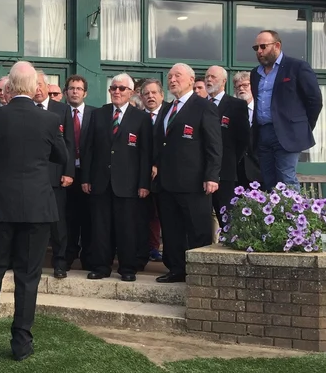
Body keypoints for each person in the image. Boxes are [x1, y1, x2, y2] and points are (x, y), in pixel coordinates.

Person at [0, 61, 67, 361]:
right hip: (37, 208)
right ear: (37, 88)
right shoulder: (48, 120)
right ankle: (21, 344)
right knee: (27, 277)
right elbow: (62, 156)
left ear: (9, 87)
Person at [152, 64, 222, 283]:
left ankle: (200, 274)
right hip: (166, 182)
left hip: (194, 182)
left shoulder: (203, 106)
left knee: (197, 229)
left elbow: (214, 144)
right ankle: (176, 269)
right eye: (170, 76)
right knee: (171, 230)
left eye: (177, 76)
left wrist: (212, 176)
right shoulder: (166, 108)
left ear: (191, 80)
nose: (172, 80)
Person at [81, 74, 152, 282]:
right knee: (100, 227)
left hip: (128, 184)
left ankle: (127, 267)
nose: (117, 92)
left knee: (127, 228)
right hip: (101, 181)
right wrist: (85, 178)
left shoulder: (141, 118)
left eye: (122, 89)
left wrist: (144, 183)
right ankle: (101, 266)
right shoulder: (99, 114)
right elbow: (88, 149)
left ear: (131, 92)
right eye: (113, 88)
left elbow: (145, 154)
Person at [250, 30, 323, 189]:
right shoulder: (255, 73)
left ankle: (293, 214)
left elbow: (314, 100)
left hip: (287, 132)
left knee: (286, 180)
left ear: (277, 45)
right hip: (263, 132)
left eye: (263, 46)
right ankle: (272, 214)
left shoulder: (297, 67)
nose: (259, 51)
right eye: (256, 48)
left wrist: (302, 126)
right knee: (268, 181)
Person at [34, 73, 75, 278]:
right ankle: (34, 264)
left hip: (57, 176)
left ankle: (60, 263)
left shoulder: (62, 109)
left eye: (40, 85)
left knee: (58, 224)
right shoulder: (28, 109)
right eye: (34, 86)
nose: (38, 90)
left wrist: (68, 172)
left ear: (47, 86)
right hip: (33, 177)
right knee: (34, 223)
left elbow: (69, 143)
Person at [205, 65, 250, 227]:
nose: (208, 80)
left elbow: (243, 140)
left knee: (227, 221)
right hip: (201, 174)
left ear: (223, 81)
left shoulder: (236, 105)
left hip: (226, 174)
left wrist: (229, 161)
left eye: (213, 77)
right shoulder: (199, 105)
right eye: (207, 76)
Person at [64, 74, 95, 271]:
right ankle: (67, 255)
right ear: (66, 91)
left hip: (88, 174)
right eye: (72, 88)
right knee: (67, 218)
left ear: (85, 93)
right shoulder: (59, 113)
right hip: (65, 174)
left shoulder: (96, 114)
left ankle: (88, 257)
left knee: (89, 218)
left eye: (79, 89)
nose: (75, 91)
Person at [139, 78, 167, 263]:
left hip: (164, 176)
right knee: (144, 215)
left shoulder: (169, 114)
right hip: (140, 176)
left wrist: (158, 165)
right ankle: (147, 249)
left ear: (162, 95)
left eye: (154, 92)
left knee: (163, 215)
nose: (150, 96)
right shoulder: (138, 117)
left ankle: (162, 251)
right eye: (146, 94)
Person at [232, 71, 260, 185]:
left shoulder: (262, 109)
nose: (241, 88)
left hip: (260, 170)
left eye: (245, 85)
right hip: (237, 172)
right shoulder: (231, 111)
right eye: (238, 86)